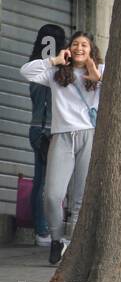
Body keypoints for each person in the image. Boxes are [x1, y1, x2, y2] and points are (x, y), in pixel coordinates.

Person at [21, 30, 101, 266]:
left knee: (79, 198)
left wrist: (90, 66)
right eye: (75, 44)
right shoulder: (56, 74)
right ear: (68, 48)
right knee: (52, 195)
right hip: (61, 137)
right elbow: (25, 72)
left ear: (91, 49)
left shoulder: (99, 71)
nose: (79, 48)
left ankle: (74, 248)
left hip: (88, 136)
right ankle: (57, 239)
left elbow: (102, 84)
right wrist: (54, 61)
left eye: (84, 45)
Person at [25, 24, 67, 253]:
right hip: (47, 130)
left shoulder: (35, 63)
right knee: (46, 183)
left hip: (38, 128)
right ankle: (43, 231)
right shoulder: (53, 67)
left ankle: (43, 230)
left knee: (41, 181)